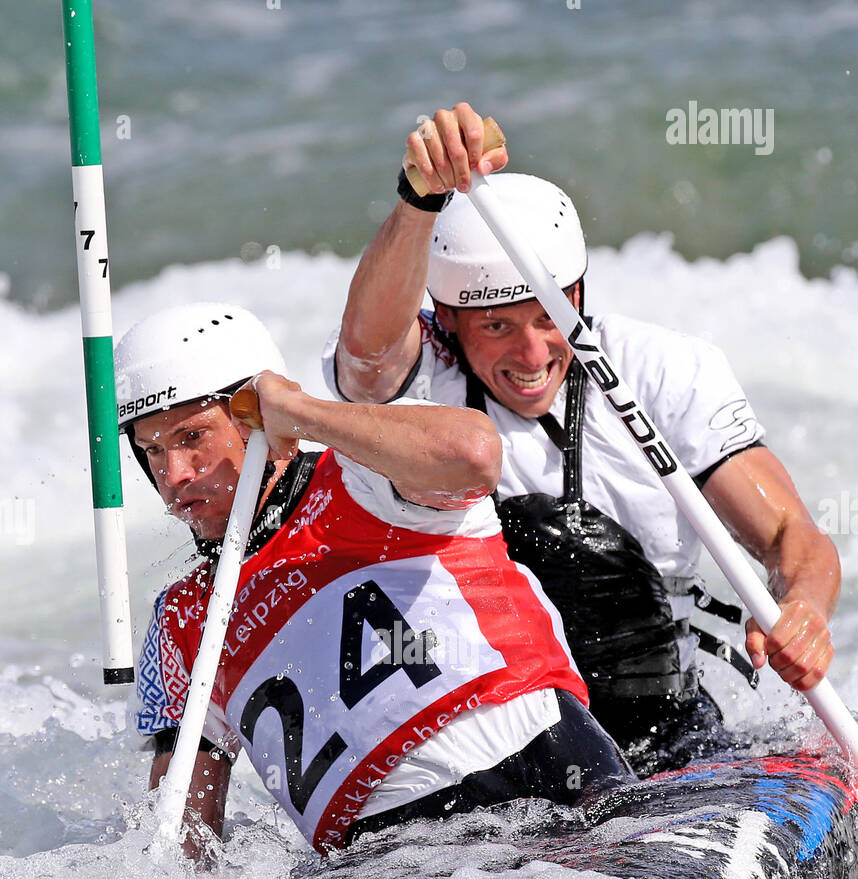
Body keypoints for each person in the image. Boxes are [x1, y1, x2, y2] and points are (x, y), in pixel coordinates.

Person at [326, 102, 841, 775]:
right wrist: (417, 198)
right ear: (446, 320)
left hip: (664, 726)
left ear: (579, 291)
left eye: (550, 317)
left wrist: (802, 607)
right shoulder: (426, 374)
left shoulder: (666, 371)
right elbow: (365, 362)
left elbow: (788, 536)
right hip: (496, 744)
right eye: (497, 328)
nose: (533, 353)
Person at [116, 301, 631, 860]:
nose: (174, 477)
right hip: (382, 857)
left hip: (540, 765)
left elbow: (474, 456)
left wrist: (300, 410)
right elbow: (183, 830)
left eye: (193, 438)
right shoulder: (182, 620)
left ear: (254, 417)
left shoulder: (363, 474)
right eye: (153, 451)